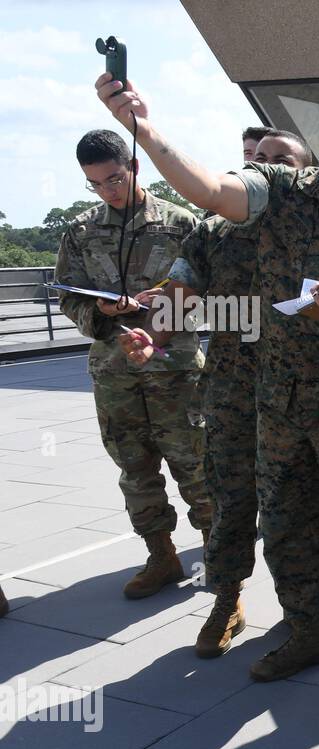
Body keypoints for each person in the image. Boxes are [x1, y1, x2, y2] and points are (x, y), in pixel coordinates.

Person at [101, 73, 319, 705]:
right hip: (275, 403)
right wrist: (143, 130)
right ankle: (310, 631)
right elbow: (214, 189)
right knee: (287, 526)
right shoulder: (282, 189)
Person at [129, 129, 311, 659]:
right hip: (232, 389)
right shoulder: (214, 230)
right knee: (231, 501)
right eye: (255, 158)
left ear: (302, 173)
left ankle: (305, 615)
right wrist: (153, 333)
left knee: (297, 508)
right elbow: (181, 295)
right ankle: (226, 599)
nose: (263, 165)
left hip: (305, 391)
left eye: (280, 160)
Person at [54, 129, 211, 599]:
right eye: (96, 184)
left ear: (135, 166)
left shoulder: (182, 223)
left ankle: (218, 559)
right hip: (114, 370)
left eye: (114, 179)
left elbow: (210, 293)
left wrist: (161, 305)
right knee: (134, 467)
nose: (108, 191)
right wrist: (100, 312)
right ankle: (161, 555)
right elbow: (66, 294)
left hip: (175, 369)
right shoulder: (80, 230)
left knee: (198, 465)